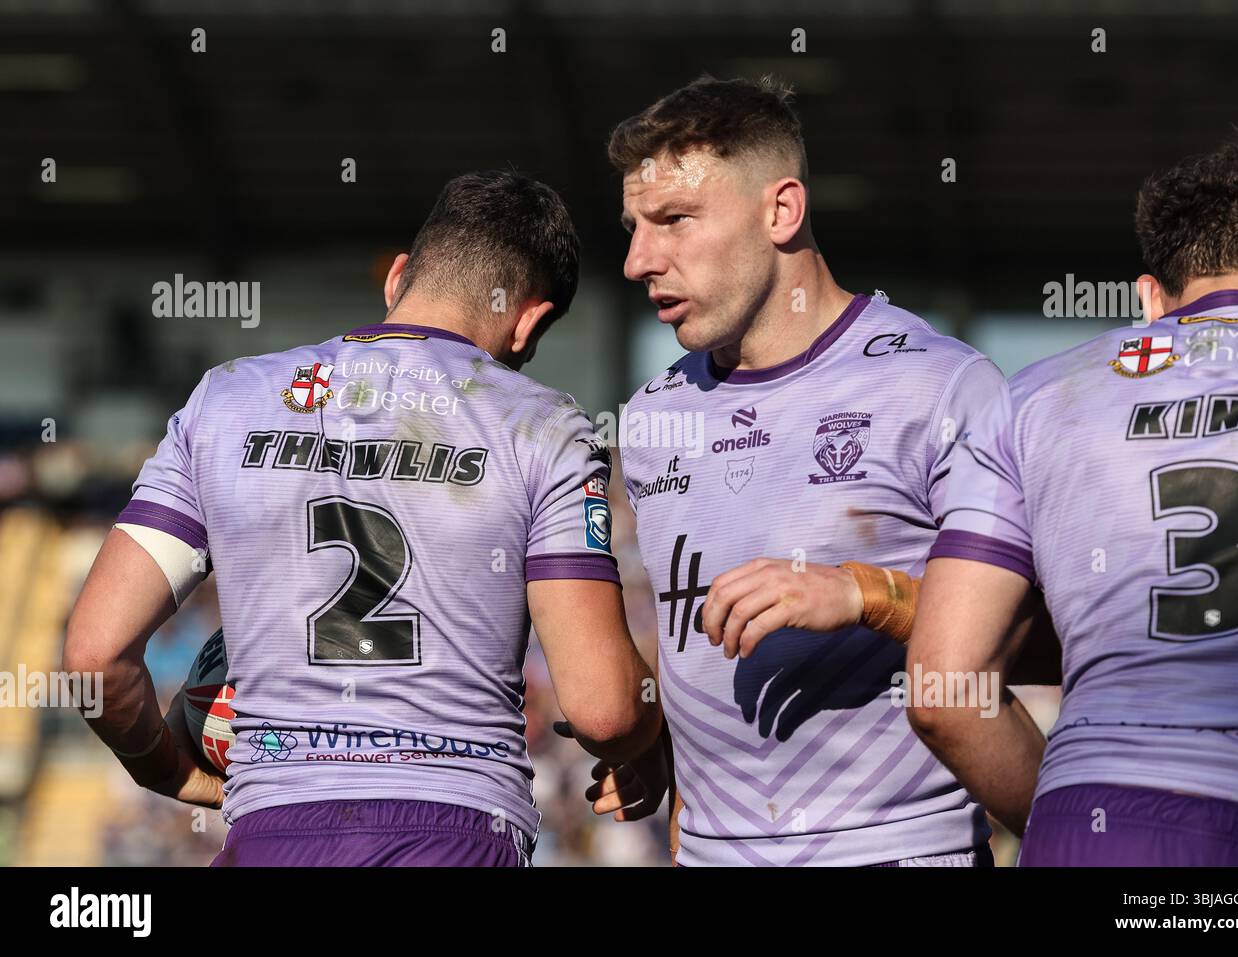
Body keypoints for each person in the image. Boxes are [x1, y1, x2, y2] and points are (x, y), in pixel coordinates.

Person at [64, 170, 663, 867]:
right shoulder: (544, 426)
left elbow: (94, 657)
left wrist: (167, 770)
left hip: (271, 831)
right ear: (529, 321)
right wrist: (648, 738)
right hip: (459, 832)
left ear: (399, 277)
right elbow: (604, 709)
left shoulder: (225, 400)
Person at [590, 75, 1009, 866]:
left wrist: (864, 593)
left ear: (781, 210)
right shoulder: (648, 418)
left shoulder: (939, 384)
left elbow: (1046, 634)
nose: (639, 259)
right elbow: (695, 657)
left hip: (897, 848)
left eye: (674, 220)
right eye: (633, 227)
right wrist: (656, 746)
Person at [906, 134, 1238, 865]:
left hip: (1091, 812)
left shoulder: (1033, 395)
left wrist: (1069, 813)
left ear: (1151, 297)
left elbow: (941, 690)